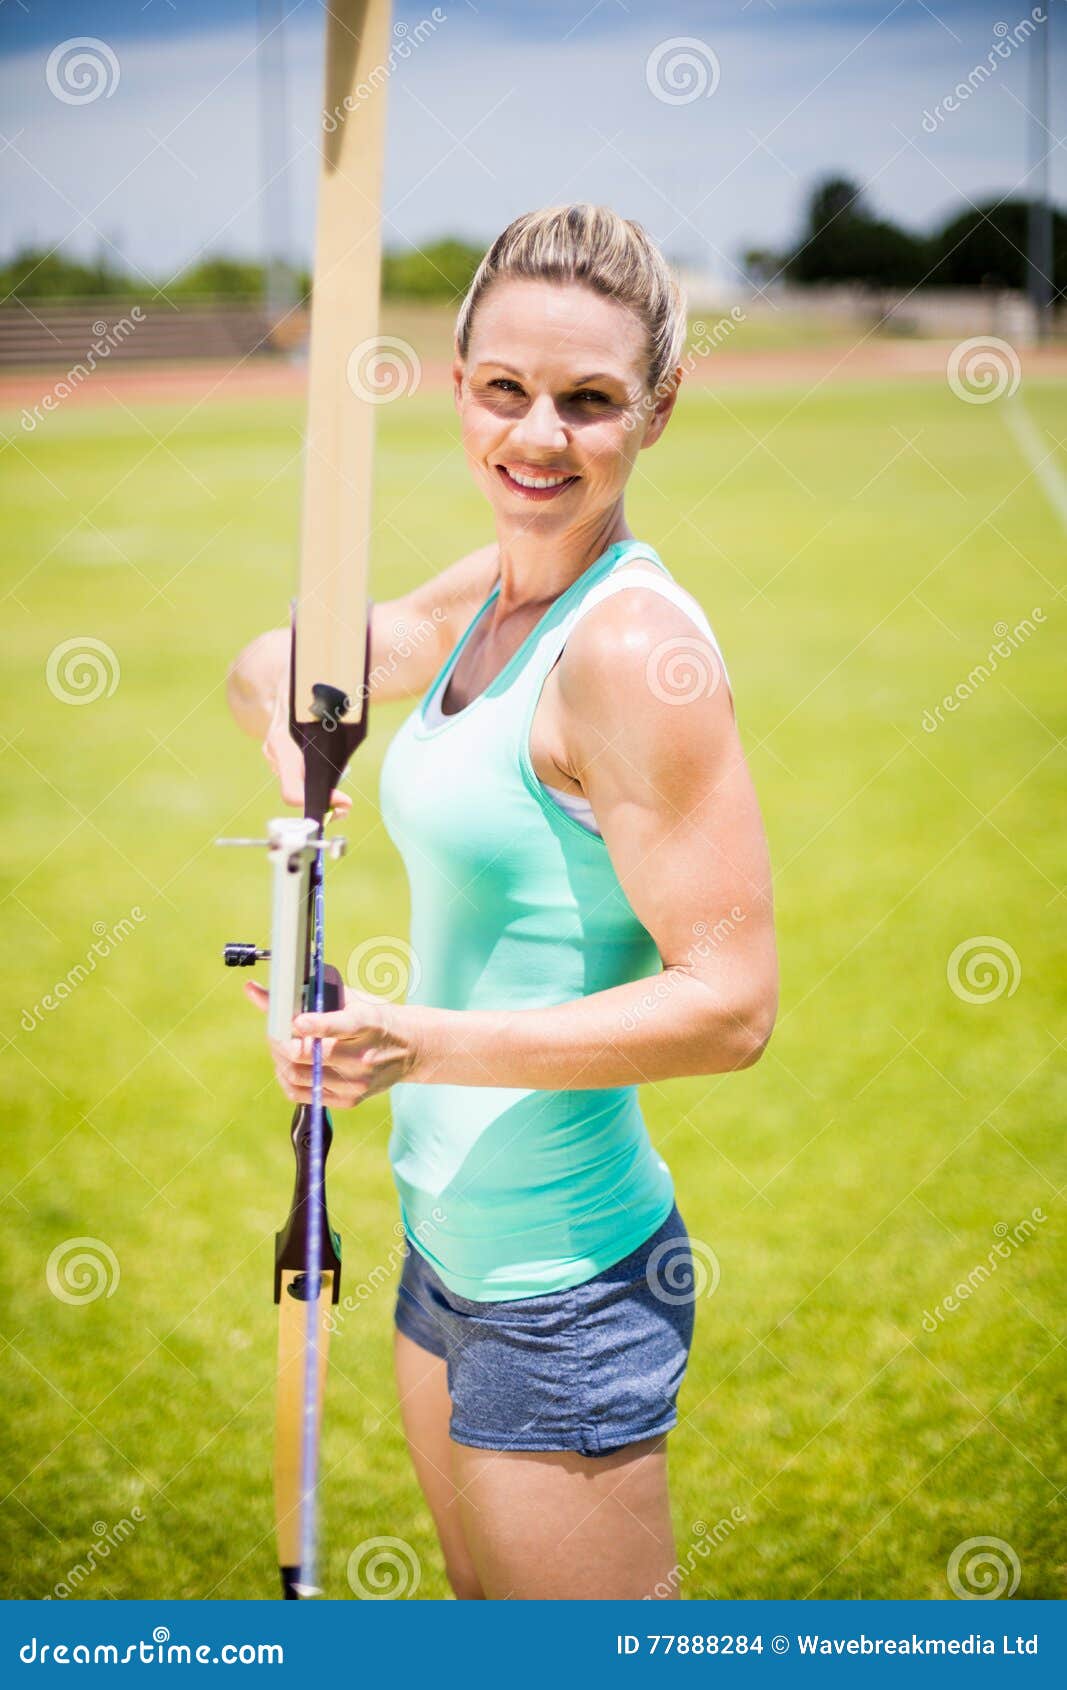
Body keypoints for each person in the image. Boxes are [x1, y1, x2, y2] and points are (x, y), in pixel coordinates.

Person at [228, 204, 778, 1601]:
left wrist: (418, 1040)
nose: (539, 439)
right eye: (506, 390)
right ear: (457, 380)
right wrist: (283, 724)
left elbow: (730, 1006)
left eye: (589, 402)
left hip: (567, 1285)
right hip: (444, 1246)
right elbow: (298, 657)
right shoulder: (502, 586)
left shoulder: (628, 648)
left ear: (657, 406)